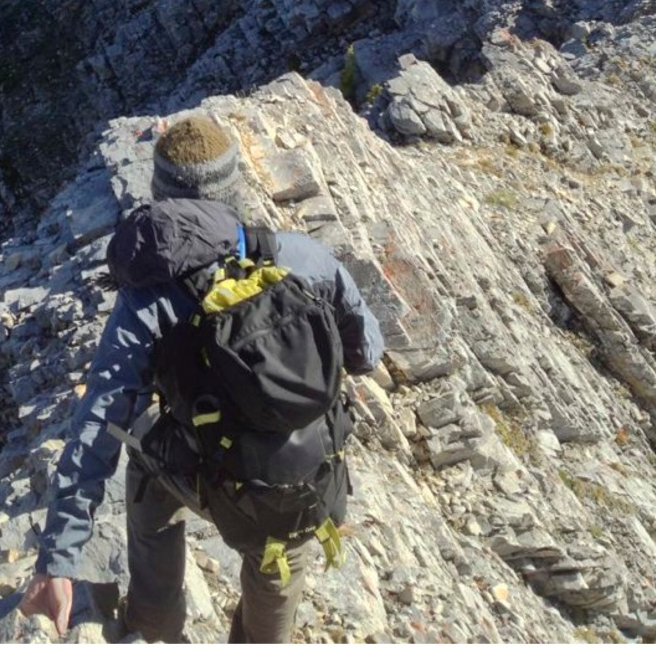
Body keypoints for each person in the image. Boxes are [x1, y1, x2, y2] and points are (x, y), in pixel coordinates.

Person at [20, 115, 384, 643]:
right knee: (278, 559)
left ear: (160, 195)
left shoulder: (146, 303)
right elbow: (367, 350)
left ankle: (154, 625)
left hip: (207, 472)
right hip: (304, 473)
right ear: (232, 186)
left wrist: (58, 558)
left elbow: (99, 421)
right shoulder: (302, 258)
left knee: (145, 473)